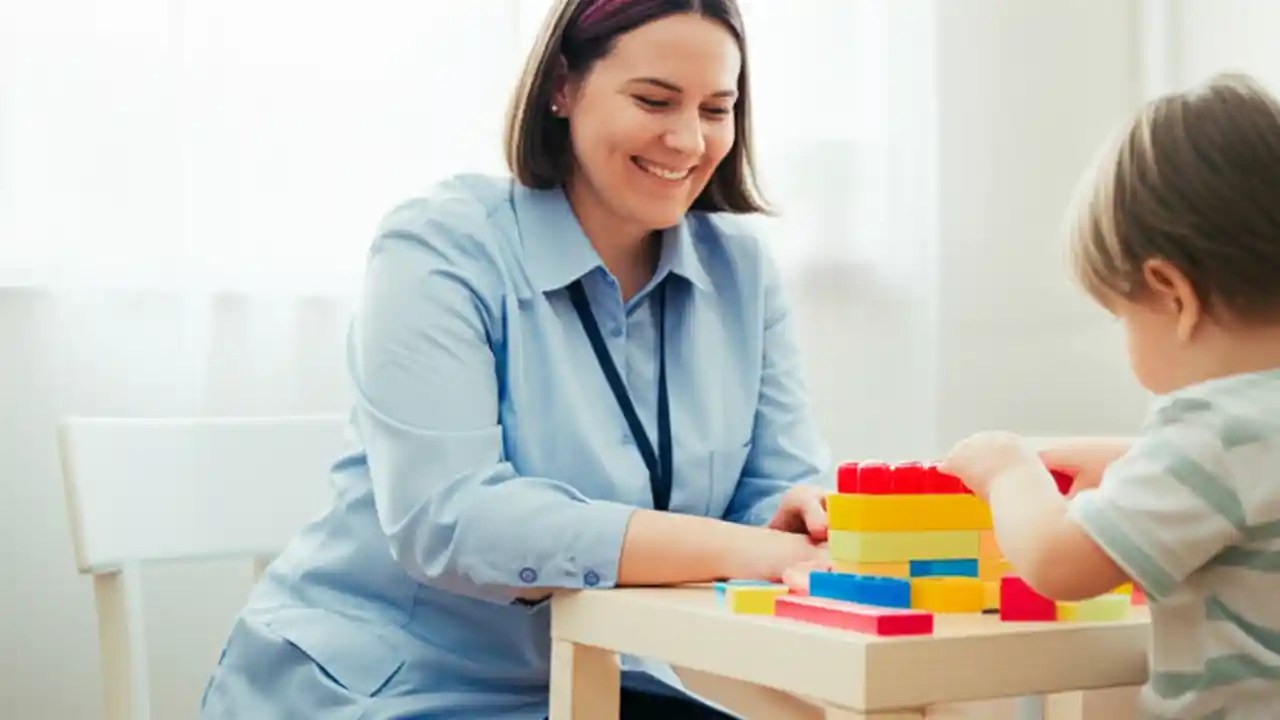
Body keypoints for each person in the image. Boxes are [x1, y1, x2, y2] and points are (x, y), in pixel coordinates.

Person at [199, 0, 832, 717]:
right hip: (387, 688)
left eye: (716, 109)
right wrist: (744, 551)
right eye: (654, 100)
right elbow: (452, 519)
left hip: (591, 686)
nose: (689, 140)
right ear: (562, 85)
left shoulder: (741, 272)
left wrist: (796, 523)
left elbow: (774, 498)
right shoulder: (441, 246)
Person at [941, 73, 1280, 719]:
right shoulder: (1246, 434)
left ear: (1173, 294)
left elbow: (1059, 563)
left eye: (1121, 316)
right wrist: (1137, 458)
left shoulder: (1209, 431)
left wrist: (1008, 471)